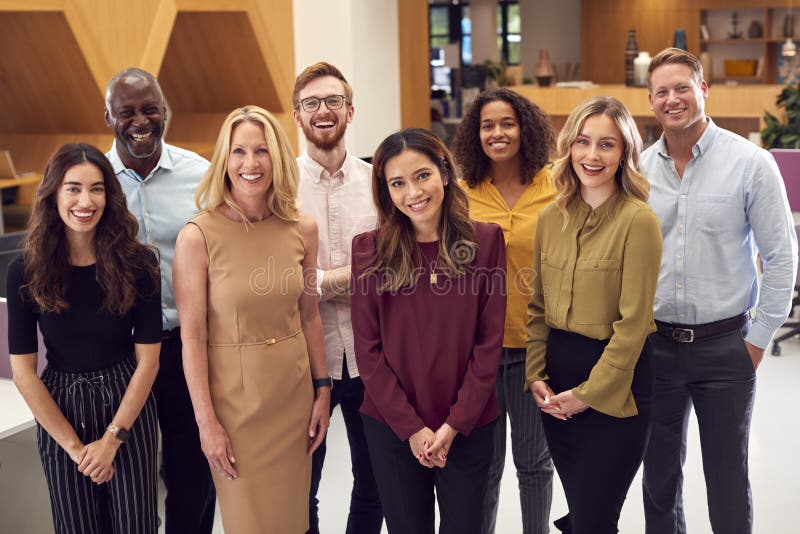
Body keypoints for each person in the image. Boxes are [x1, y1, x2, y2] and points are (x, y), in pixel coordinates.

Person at [640, 48, 797, 534]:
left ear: (703, 90)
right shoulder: (639, 171)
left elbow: (782, 256)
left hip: (726, 348)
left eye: (683, 87)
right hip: (656, 348)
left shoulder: (752, 164)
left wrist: (756, 340)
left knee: (727, 479)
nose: (673, 99)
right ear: (650, 100)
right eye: (662, 91)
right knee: (658, 481)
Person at [173, 105, 330, 533]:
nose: (250, 163)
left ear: (277, 156)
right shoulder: (197, 236)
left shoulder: (304, 228)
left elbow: (310, 315)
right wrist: (207, 424)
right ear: (224, 158)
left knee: (293, 521)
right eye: (238, 151)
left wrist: (322, 390)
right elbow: (192, 337)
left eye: (261, 150)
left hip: (293, 398)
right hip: (234, 409)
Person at [351, 128, 506, 534]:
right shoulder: (368, 249)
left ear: (445, 174)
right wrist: (412, 430)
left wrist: (452, 426)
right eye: (397, 183)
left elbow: (488, 345)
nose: (412, 192)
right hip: (394, 427)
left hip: (468, 425)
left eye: (422, 176)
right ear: (386, 192)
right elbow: (368, 352)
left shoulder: (486, 241)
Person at [7, 143, 161, 533]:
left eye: (96, 189)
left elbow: (148, 360)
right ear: (54, 194)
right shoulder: (24, 269)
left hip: (127, 402)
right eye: (73, 188)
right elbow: (24, 371)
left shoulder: (138, 262)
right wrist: (76, 448)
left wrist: (112, 440)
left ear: (109, 196)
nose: (85, 200)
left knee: (136, 525)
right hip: (61, 406)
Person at [525, 96, 663, 534]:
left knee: (593, 517)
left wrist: (588, 394)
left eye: (607, 144)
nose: (592, 155)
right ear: (569, 148)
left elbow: (634, 325)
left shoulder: (639, 221)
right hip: (558, 377)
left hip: (616, 382)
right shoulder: (551, 218)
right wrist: (535, 376)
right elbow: (538, 308)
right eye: (583, 142)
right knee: (584, 511)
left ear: (625, 153)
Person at [104, 67, 216, 533]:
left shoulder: (201, 176)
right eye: (126, 112)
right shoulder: (93, 181)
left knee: (193, 477)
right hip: (119, 357)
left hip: (187, 348)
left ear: (165, 110)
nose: (140, 121)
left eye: (150, 108)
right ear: (108, 115)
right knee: (128, 484)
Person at [452, 87, 555, 534]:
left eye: (507, 123)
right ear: (476, 135)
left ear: (525, 128)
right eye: (487, 125)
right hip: (479, 353)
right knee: (484, 467)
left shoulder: (556, 185)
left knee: (533, 464)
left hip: (536, 350)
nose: (497, 133)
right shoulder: (459, 193)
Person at [293, 62, 383, 534]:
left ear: (350, 110)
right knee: (302, 485)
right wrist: (353, 276)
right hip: (305, 363)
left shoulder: (379, 184)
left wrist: (317, 280)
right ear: (296, 116)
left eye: (332, 101)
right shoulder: (279, 189)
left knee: (375, 484)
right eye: (311, 103)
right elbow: (283, 283)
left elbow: (395, 270)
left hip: (373, 358)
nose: (322, 111)